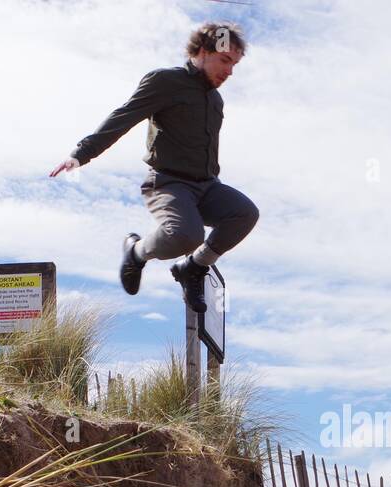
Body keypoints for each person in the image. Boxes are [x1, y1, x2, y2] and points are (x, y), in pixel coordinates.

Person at [49, 22, 258, 313]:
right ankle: (135, 252)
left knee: (245, 213)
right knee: (187, 235)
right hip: (168, 182)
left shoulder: (215, 99)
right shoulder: (166, 81)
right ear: (202, 51)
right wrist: (81, 154)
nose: (229, 72)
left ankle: (192, 268)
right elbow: (124, 115)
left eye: (234, 65)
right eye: (225, 61)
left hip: (208, 186)